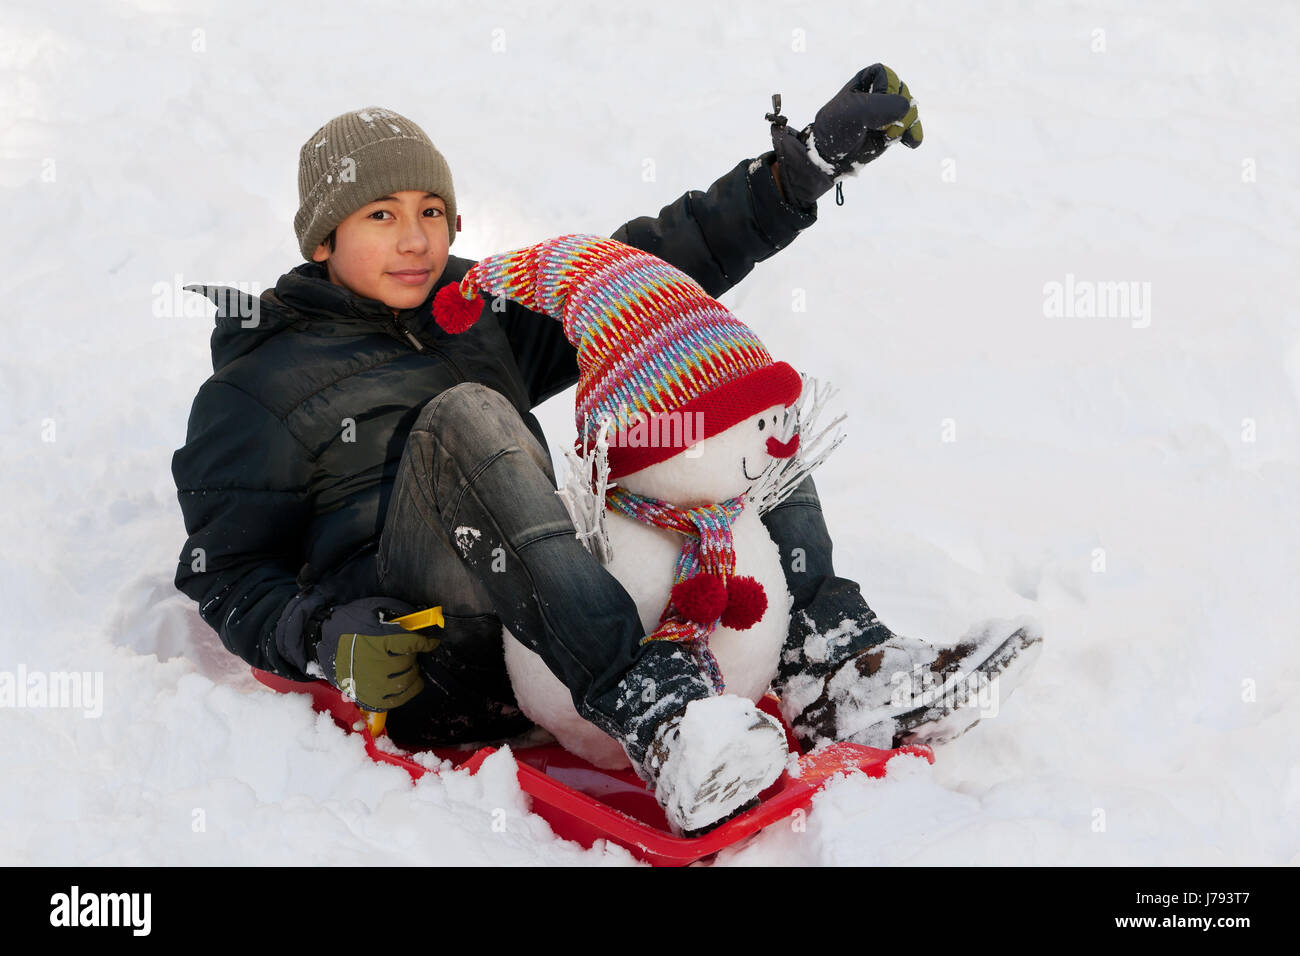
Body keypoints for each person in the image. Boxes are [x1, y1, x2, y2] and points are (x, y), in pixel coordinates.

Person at [172, 66, 1039, 834]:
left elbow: (640, 267)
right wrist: (319, 635)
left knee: (718, 396)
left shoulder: (464, 310)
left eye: (431, 211)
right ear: (322, 239)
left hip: (548, 615)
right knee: (465, 417)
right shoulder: (258, 385)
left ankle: (834, 664)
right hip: (436, 657)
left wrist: (794, 175)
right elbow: (224, 570)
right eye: (381, 215)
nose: (415, 239)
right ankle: (653, 715)